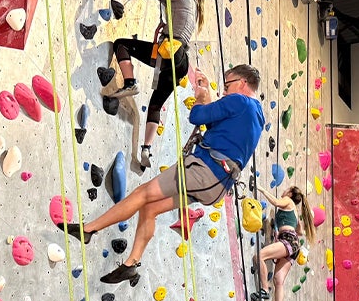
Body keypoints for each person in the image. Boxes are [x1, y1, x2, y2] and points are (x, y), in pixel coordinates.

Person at [59, 65, 264, 286]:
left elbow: (197, 116)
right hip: (216, 185)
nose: (225, 91)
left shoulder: (239, 102)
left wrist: (201, 97)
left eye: (228, 85)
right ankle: (131, 264)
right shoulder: (257, 116)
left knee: (142, 193)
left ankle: (88, 230)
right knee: (151, 208)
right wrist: (209, 98)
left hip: (204, 171)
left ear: (242, 83)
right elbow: (218, 126)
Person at [103, 0, 207, 171]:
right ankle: (146, 150)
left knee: (121, 45)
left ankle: (130, 83)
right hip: (181, 62)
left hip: (169, 52)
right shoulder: (193, 7)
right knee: (156, 104)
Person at [254, 186, 316, 301]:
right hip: (293, 243)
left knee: (260, 256)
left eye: (286, 190)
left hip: (288, 240)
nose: (283, 191)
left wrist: (262, 190)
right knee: (278, 280)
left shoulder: (287, 200)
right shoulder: (293, 210)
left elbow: (276, 202)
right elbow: (300, 231)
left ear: (289, 193)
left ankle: (264, 289)